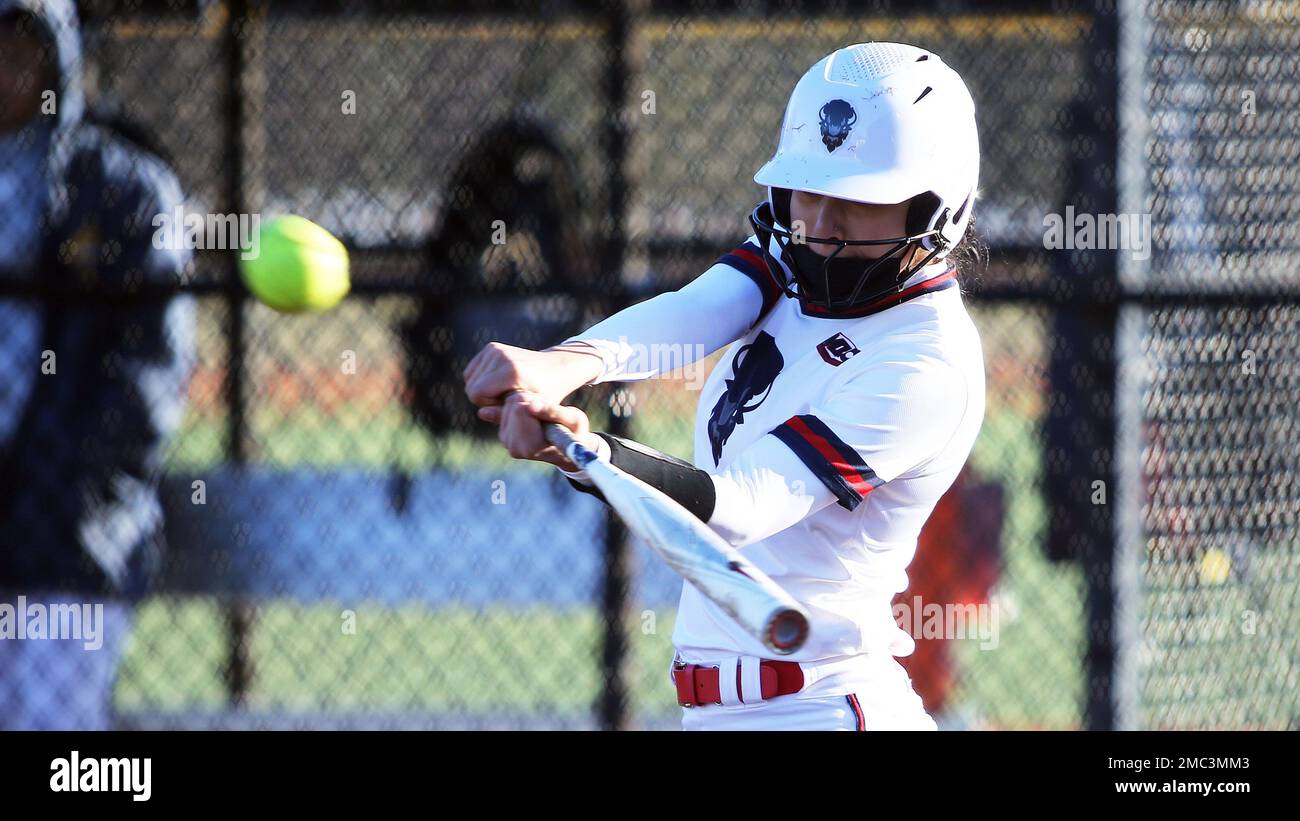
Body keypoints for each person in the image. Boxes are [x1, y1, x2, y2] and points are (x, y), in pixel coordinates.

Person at [464, 42, 984, 730]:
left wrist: (587, 451)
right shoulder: (795, 260)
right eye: (809, 191)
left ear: (932, 208)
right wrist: (560, 364)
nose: (822, 225)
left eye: (858, 202)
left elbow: (739, 506)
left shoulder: (926, 361)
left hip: (821, 708)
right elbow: (694, 312)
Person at [0, 0, 194, 729]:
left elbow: (148, 374)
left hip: (70, 537)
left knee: (52, 738)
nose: (6, 71)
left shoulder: (120, 190)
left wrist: (58, 482)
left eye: (23, 50)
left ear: (59, 61)